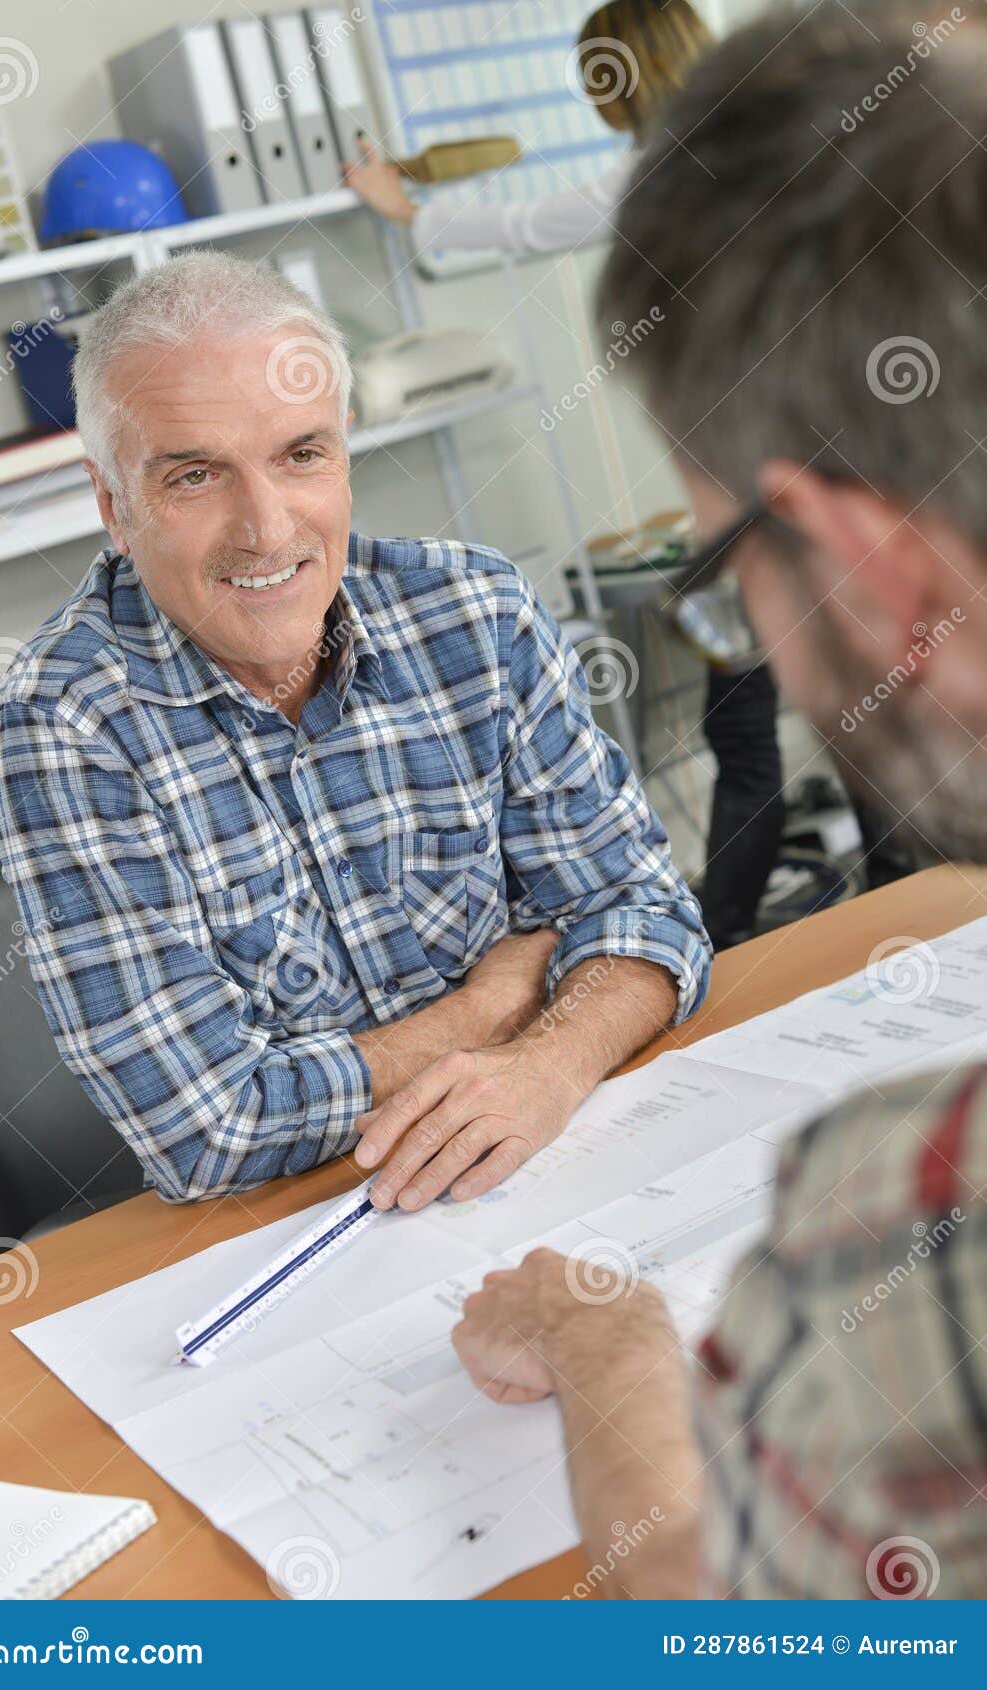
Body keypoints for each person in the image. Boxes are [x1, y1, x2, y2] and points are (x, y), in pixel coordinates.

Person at [452, 0, 987, 1598]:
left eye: (729, 568)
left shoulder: (898, 1228)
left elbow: (694, 1620)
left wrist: (601, 1339)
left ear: (879, 563)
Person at [0, 250, 710, 1208]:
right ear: (115, 506)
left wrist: (551, 1067)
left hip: (553, 1151)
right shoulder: (66, 725)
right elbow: (211, 1128)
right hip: (296, 1233)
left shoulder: (472, 610)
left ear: (344, 451)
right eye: (196, 475)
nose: (268, 528)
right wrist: (491, 1007)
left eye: (301, 454)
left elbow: (650, 917)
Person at [345, 0, 785, 951]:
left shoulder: (663, 170)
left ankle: (718, 946)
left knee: (743, 737)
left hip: (759, 501)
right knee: (834, 712)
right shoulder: (758, 149)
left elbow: (528, 221)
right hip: (806, 476)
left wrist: (401, 204)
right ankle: (899, 900)